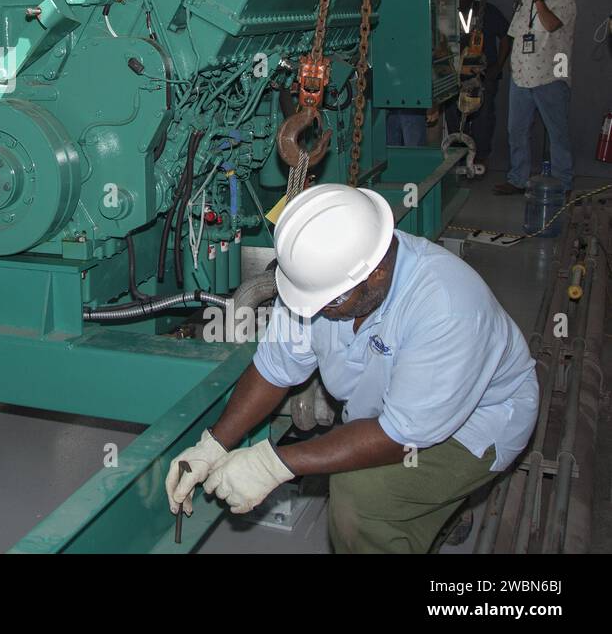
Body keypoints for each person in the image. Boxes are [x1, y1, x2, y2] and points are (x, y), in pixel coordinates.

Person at [165, 183, 538, 553]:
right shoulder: (324, 282)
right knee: (357, 453)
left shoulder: (448, 308)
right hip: (390, 412)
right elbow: (274, 368)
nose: (314, 311)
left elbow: (399, 436)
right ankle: (431, 507)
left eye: (328, 302)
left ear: (374, 273)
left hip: (474, 424)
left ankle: (423, 504)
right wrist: (212, 446)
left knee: (359, 493)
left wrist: (273, 464)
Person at [493, 0, 577, 196]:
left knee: (557, 133)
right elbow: (514, 35)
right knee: (516, 131)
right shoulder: (525, 3)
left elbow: (551, 25)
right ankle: (518, 178)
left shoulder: (565, 1)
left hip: (551, 77)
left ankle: (563, 182)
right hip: (522, 78)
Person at [445, 0, 509, 174]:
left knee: (482, 117)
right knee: (454, 116)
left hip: (482, 75)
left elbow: (507, 36)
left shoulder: (487, 11)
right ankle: (457, 157)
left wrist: (497, 66)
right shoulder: (448, 14)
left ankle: (481, 157)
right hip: (456, 74)